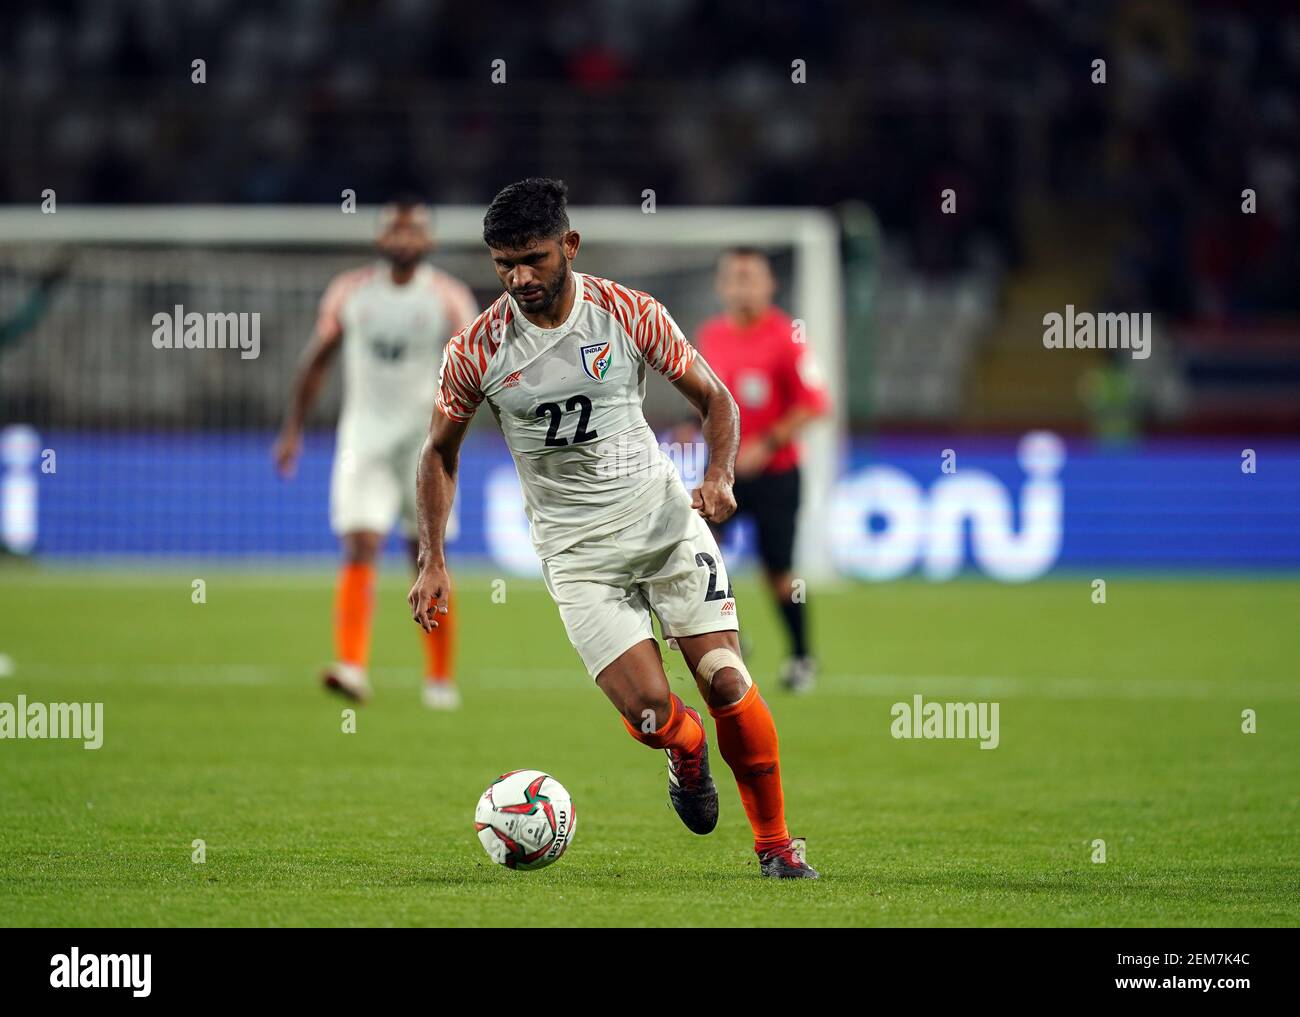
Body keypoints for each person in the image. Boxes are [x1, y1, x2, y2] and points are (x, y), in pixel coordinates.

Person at [407, 178, 817, 877]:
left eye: (533, 258)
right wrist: (433, 555)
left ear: (569, 244)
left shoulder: (627, 312)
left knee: (723, 676)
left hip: (664, 526)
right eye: (503, 263)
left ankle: (776, 846)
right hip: (577, 556)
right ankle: (687, 754)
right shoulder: (477, 349)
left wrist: (718, 475)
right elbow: (439, 454)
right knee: (656, 714)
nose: (519, 277)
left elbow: (716, 400)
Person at [274, 200, 477, 709]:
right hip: (362, 439)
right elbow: (316, 361)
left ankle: (438, 676)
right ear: (380, 238)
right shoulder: (351, 291)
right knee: (360, 543)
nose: (404, 238)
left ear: (428, 241)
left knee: (424, 556)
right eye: (395, 230)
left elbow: (479, 366)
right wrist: (293, 429)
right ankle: (352, 666)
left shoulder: (448, 297)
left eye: (414, 230)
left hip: (426, 446)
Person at [692, 248, 830, 693]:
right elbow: (706, 399)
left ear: (770, 285)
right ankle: (731, 640)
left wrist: (767, 443)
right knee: (701, 558)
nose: (742, 286)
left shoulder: (787, 337)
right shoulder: (710, 335)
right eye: (734, 277)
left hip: (775, 474)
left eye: (751, 277)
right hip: (721, 471)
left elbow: (815, 403)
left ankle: (802, 656)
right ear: (720, 285)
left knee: (778, 574)